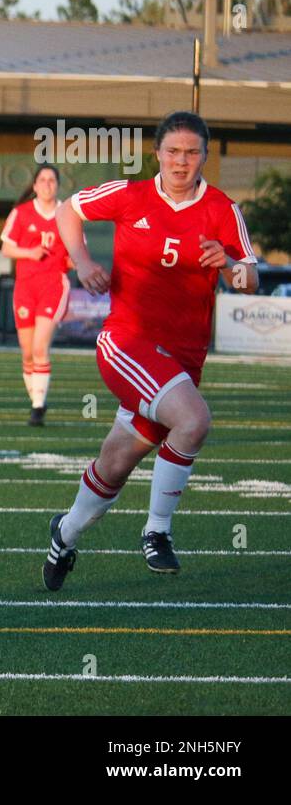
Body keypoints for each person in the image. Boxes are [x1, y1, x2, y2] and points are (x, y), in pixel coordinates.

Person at [42, 111, 258, 592]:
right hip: (127, 340)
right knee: (194, 421)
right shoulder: (130, 194)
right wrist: (81, 262)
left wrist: (230, 267)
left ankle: (65, 532)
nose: (182, 162)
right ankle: (157, 531)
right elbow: (67, 210)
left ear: (205, 156)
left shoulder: (223, 209)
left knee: (116, 463)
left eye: (193, 152)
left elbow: (249, 278)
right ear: (157, 153)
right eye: (174, 151)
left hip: (183, 357)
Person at [0, 163, 72, 426]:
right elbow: (7, 248)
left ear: (58, 185)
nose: (47, 184)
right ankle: (36, 399)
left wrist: (79, 261)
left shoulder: (67, 214)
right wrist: (29, 253)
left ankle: (38, 406)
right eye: (42, 180)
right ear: (34, 185)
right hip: (25, 286)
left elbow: (78, 250)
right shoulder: (21, 213)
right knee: (27, 352)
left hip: (53, 285)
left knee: (41, 347)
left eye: (52, 180)